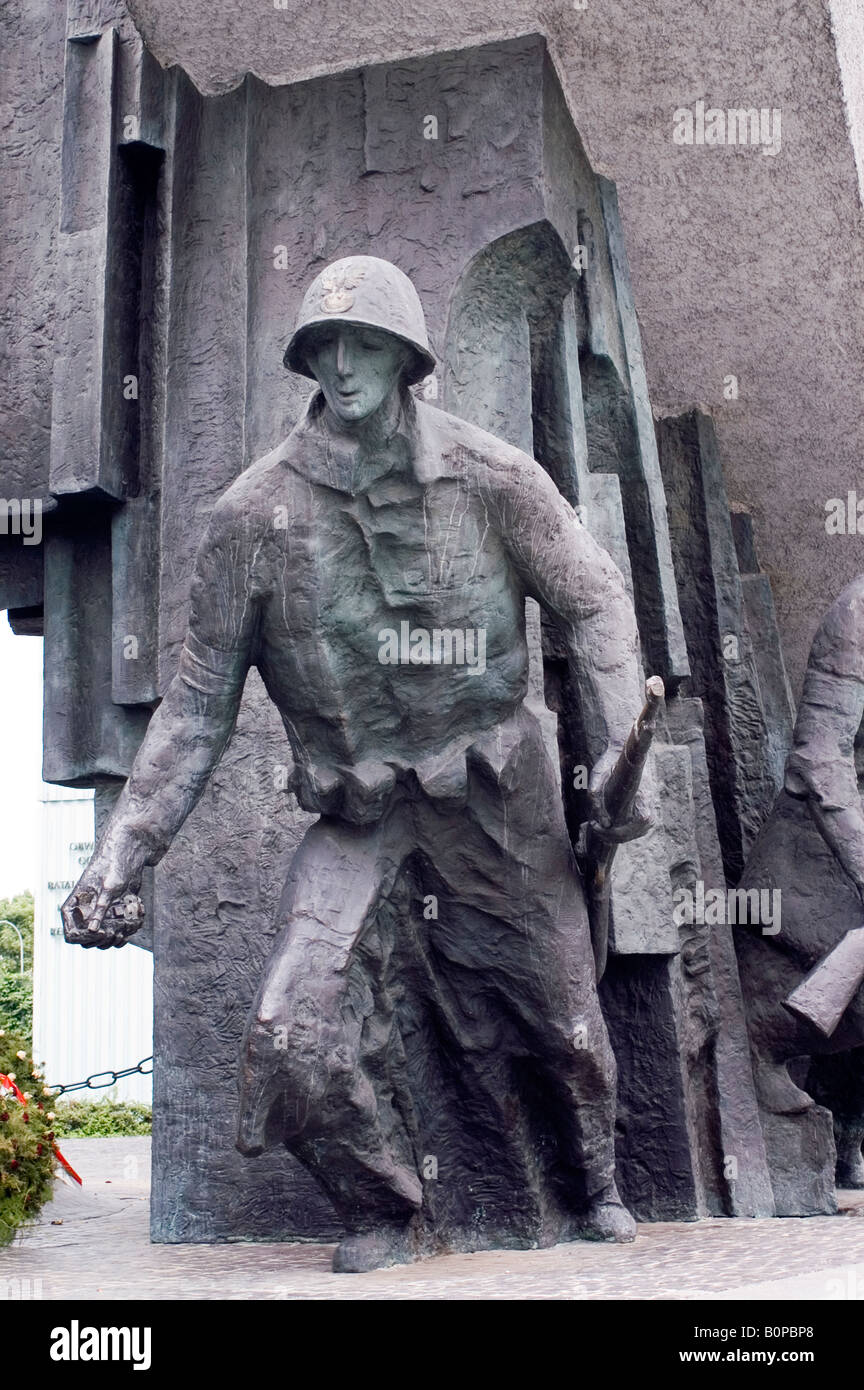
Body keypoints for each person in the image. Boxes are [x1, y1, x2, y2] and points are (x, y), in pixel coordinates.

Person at [63, 255, 653, 1270]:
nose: (342, 366)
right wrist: (122, 855)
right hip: (360, 814)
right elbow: (198, 704)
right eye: (324, 347)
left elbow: (595, 600)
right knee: (291, 1032)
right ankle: (384, 1202)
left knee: (568, 1025)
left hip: (492, 801)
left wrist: (608, 750)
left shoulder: (495, 478)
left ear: (405, 356)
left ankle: (592, 1182)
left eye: (364, 344)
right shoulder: (250, 519)